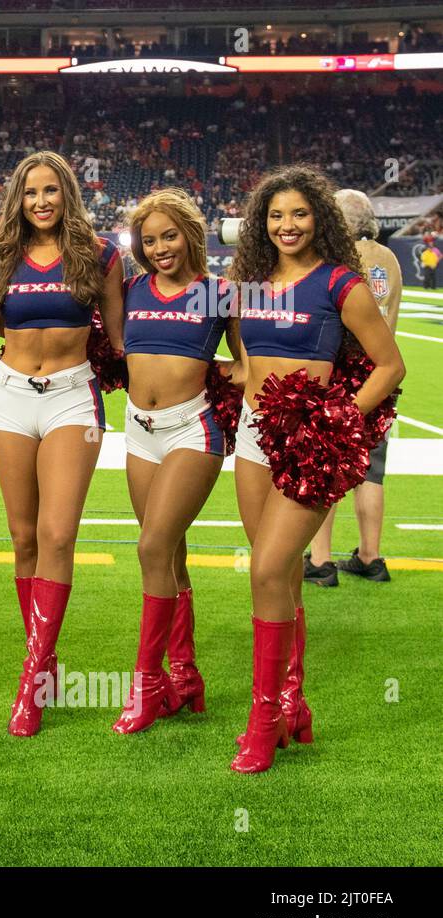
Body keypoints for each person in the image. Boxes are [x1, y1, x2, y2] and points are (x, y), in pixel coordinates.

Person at [228, 165, 404, 773]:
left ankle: (263, 718)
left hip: (313, 443)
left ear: (319, 218)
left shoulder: (341, 283)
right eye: (276, 215)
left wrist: (335, 422)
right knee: (274, 577)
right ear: (261, 223)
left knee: (269, 566)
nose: (287, 225)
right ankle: (291, 701)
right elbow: (245, 354)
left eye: (299, 214)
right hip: (255, 436)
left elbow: (390, 366)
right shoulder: (248, 281)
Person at [0, 150, 124, 737]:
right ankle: (44, 660)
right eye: (31, 193)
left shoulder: (100, 255)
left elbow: (124, 336)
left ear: (68, 194)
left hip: (73, 395)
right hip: (10, 394)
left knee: (57, 534)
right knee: (24, 536)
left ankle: (31, 679)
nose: (42, 201)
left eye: (51, 190)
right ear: (17, 200)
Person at [110, 188, 242, 733]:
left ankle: (147, 686)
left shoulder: (219, 293)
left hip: (194, 429)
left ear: (191, 234)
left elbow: (246, 366)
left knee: (150, 547)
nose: (160, 247)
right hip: (140, 434)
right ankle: (185, 675)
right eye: (149, 240)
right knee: (172, 559)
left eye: (169, 236)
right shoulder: (130, 289)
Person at [305, 188, 402, 586]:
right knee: (371, 473)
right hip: (380, 375)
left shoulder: (338, 260)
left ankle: (322, 561)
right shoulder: (390, 259)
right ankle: (370, 556)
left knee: (324, 467)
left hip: (343, 374)